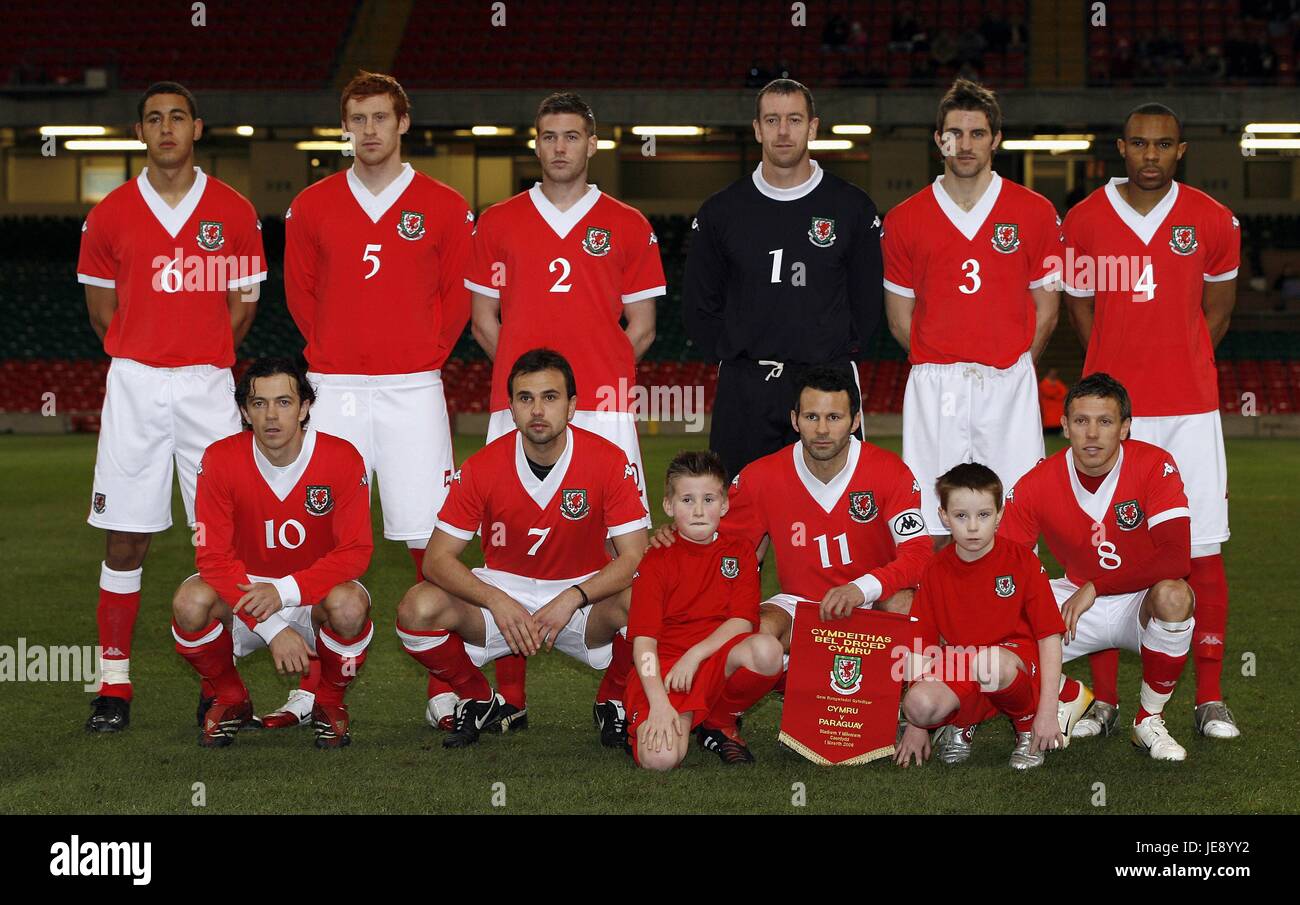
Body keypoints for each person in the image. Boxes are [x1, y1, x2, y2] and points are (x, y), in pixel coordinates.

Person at [465, 91, 663, 732]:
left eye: (571, 136)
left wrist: (595, 381)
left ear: (592, 143)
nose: (559, 147)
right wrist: (530, 388)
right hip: (515, 406)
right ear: (535, 143)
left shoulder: (627, 223)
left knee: (624, 547)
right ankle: (509, 699)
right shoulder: (497, 221)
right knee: (508, 544)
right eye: (548, 136)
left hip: (603, 405)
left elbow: (642, 327)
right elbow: (484, 321)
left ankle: (614, 696)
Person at [283, 70, 474, 732]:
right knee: (317, 537)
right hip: (333, 389)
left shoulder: (445, 205)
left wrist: (415, 354)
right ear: (346, 126)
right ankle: (312, 684)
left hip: (413, 388)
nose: (368, 130)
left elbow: (455, 303)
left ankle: (444, 685)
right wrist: (341, 354)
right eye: (357, 119)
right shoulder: (311, 205)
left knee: (431, 543)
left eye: (380, 118)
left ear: (403, 122)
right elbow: (301, 297)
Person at [77, 81, 266, 732]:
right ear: (139, 133)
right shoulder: (110, 214)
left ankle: (222, 682)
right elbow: (102, 311)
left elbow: (244, 304)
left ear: (196, 128)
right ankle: (114, 683)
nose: (165, 128)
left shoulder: (234, 210)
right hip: (134, 384)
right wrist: (144, 354)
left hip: (207, 386)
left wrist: (201, 353)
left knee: (223, 539)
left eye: (177, 117)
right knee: (125, 537)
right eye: (153, 118)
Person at [1062, 102, 1241, 739]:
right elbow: (1082, 312)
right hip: (1112, 418)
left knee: (1200, 549)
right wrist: (1117, 372)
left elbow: (1216, 312)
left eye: (1163, 145)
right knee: (1105, 547)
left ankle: (1210, 697)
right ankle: (1106, 701)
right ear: (1121, 147)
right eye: (1139, 144)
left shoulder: (1213, 220)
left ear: (1181, 150)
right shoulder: (1082, 221)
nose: (1150, 156)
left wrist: (1177, 365)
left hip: (1190, 410)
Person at [394, 349, 649, 749]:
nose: (537, 410)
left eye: (550, 397)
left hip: (582, 600)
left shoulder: (608, 461)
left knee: (648, 600)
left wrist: (573, 597)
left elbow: (635, 556)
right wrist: (496, 599)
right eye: (525, 398)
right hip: (503, 592)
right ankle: (477, 696)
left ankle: (612, 698)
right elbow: (437, 559)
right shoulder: (482, 466)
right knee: (416, 608)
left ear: (572, 406)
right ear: (511, 408)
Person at [883, 78, 1061, 550]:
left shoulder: (1035, 211)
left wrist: (1015, 363)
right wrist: (943, 359)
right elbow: (900, 319)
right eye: (953, 133)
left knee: (1017, 514)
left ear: (995, 139)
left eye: (977, 133)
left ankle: (1010, 616)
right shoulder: (905, 218)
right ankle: (936, 618)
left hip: (1008, 380)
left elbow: (1047, 307)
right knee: (933, 514)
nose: (964, 144)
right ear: (937, 138)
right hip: (935, 382)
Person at [653, 367, 930, 669]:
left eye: (834, 418)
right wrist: (678, 537)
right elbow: (720, 543)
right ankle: (732, 708)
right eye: (812, 417)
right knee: (751, 632)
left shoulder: (890, 471)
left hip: (872, 600)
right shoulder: (761, 477)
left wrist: (860, 588)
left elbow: (918, 555)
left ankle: (899, 692)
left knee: (913, 608)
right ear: (795, 420)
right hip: (801, 607)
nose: (822, 430)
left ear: (855, 421)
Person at [684, 78, 883, 484]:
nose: (783, 131)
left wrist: (828, 356)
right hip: (746, 387)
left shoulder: (852, 207)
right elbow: (698, 306)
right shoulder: (723, 210)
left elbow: (867, 305)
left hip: (825, 387)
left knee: (834, 512)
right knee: (738, 521)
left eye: (794, 119)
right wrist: (740, 357)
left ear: (812, 127)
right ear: (757, 129)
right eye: (772, 120)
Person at [171, 358, 373, 748]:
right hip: (245, 596)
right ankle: (231, 698)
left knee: (349, 606)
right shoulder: (219, 459)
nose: (271, 416)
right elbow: (212, 557)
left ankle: (329, 702)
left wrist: (284, 594)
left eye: (283, 402)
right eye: (259, 404)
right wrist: (273, 627)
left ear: (305, 407)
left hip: (311, 598)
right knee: (190, 602)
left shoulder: (341, 457)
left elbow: (355, 552)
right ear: (245, 412)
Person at [1000, 373, 1197, 761]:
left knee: (1175, 595)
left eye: (1105, 422)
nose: (1092, 433)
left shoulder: (1154, 465)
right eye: (1081, 421)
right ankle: (1069, 696)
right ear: (1065, 425)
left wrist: (1097, 586)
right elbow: (1006, 567)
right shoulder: (1036, 482)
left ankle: (1148, 720)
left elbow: (1177, 558)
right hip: (1073, 600)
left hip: (1135, 600)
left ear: (1124, 427)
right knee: (996, 619)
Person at [895, 463, 1093, 770]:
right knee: (918, 705)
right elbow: (921, 643)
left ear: (999, 515)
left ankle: (1026, 727)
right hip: (964, 659)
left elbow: (1049, 636)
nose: (973, 527)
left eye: (984, 515)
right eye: (961, 516)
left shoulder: (1022, 561)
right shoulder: (935, 569)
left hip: (1011, 659)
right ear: (943, 516)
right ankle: (965, 720)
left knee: (989, 665)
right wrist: (917, 724)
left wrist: (1046, 711)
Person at [627, 450, 784, 769]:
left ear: (724, 504)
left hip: (711, 661)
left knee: (768, 650)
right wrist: (658, 702)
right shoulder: (656, 559)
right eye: (687, 500)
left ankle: (717, 718)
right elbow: (644, 643)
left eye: (709, 499)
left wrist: (695, 655)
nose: (699, 510)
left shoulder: (739, 552)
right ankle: (676, 715)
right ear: (669, 506)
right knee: (661, 760)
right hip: (667, 672)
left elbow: (742, 622)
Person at [1039, 367, 1067, 433]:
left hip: (1058, 406)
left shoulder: (1058, 383)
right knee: (1049, 419)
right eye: (1052, 373)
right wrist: (1056, 395)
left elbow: (1064, 392)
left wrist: (1055, 396)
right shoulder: (1044, 383)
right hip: (1048, 406)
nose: (1053, 375)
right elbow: (1048, 393)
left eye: (1055, 373)